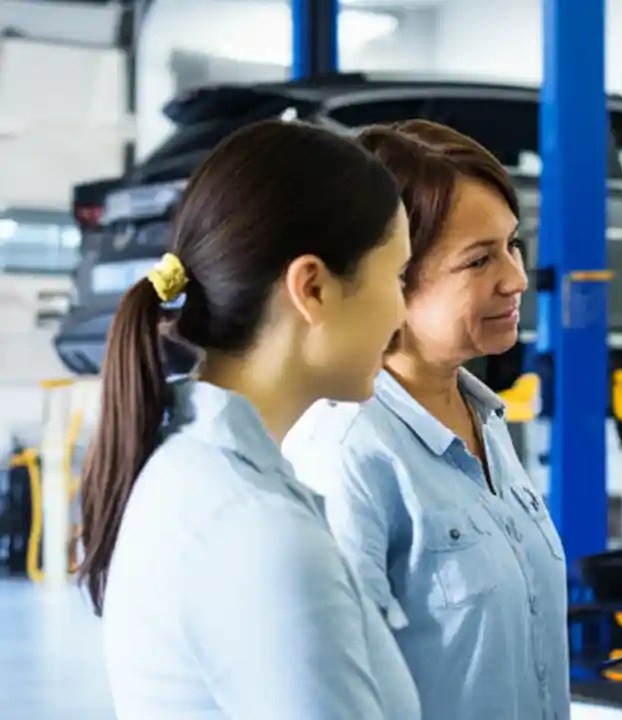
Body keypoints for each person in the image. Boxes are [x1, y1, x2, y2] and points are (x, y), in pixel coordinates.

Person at [79, 119, 421, 719]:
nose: (402, 312)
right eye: (396, 277)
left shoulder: (193, 471)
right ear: (312, 288)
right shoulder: (260, 533)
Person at [283, 121, 569, 720]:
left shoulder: (485, 419)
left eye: (513, 245)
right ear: (392, 275)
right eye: (479, 260)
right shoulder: (347, 453)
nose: (517, 278)